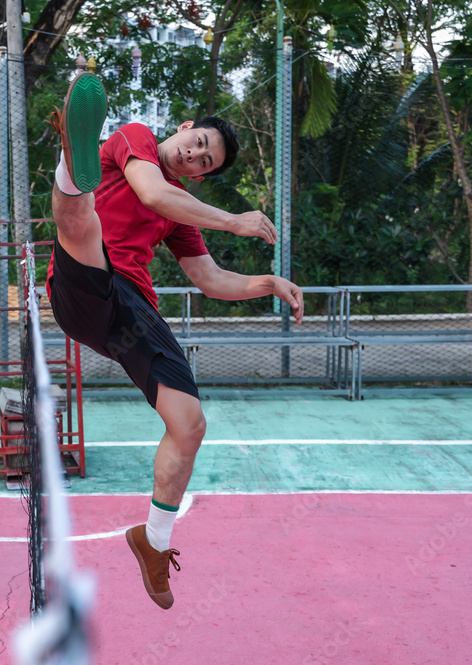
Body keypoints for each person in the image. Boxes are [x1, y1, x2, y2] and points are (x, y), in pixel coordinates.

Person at [46, 73, 304, 610]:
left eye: (205, 163)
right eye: (199, 143)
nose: (195, 155)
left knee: (189, 423)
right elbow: (151, 189)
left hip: (132, 312)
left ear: (204, 178)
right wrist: (235, 221)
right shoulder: (137, 137)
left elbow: (209, 280)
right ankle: (74, 161)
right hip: (84, 285)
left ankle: (154, 542)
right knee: (81, 226)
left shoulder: (181, 212)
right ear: (186, 128)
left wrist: (267, 285)